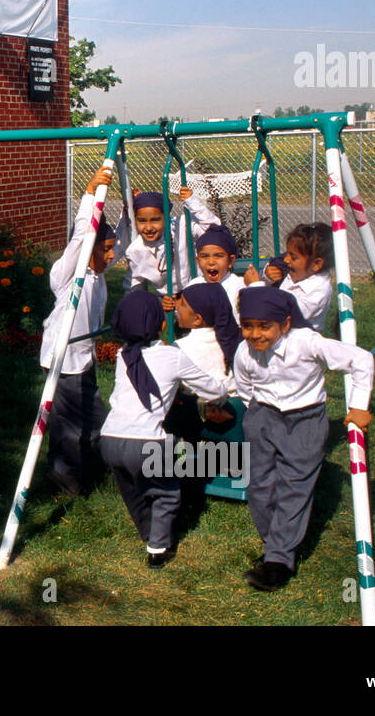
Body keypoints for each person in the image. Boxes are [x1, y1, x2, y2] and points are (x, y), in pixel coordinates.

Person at [235, 288, 373, 591]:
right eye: (247, 325)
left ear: (284, 324)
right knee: (258, 485)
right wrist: (256, 414)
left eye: (264, 326)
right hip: (263, 417)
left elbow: (361, 360)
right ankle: (275, 543)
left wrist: (359, 405)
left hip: (305, 420)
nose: (255, 334)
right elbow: (244, 384)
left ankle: (279, 560)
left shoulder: (306, 342)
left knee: (294, 487)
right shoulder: (244, 352)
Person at [99, 291, 229, 569]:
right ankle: (158, 549)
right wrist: (222, 392)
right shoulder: (173, 356)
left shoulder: (124, 356)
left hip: (109, 439)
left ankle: (148, 532)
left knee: (133, 491)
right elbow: (210, 387)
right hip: (146, 442)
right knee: (166, 492)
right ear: (159, 324)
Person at [40, 166, 122, 496]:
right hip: (63, 359)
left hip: (82, 360)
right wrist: (90, 194)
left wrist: (128, 210)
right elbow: (80, 236)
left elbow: (125, 243)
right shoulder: (67, 276)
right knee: (69, 424)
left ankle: (81, 466)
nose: (113, 255)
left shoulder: (98, 275)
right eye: (107, 248)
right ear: (91, 250)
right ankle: (66, 475)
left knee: (87, 417)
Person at [123, 185, 221, 297]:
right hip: (167, 301)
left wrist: (192, 203)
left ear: (166, 217)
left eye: (155, 220)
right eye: (142, 221)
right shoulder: (135, 250)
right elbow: (132, 286)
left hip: (196, 292)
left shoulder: (180, 226)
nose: (149, 227)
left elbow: (215, 229)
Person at [243, 223, 335, 333]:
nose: (286, 260)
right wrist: (267, 276)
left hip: (298, 344)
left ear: (316, 264)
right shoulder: (298, 272)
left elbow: (279, 315)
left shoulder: (319, 291)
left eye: (293, 257)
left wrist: (255, 288)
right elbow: (275, 267)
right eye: (287, 253)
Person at [173, 282, 242, 397]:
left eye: (183, 304)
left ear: (197, 319)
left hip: (196, 409)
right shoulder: (238, 340)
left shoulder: (180, 348)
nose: (177, 305)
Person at [183, 224, 246, 324]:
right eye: (205, 256)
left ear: (231, 261)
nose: (211, 262)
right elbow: (183, 313)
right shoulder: (193, 285)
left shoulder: (240, 286)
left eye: (218, 256)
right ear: (198, 261)